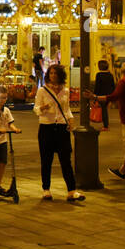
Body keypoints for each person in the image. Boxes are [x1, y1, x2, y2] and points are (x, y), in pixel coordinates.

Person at [34, 63, 84, 202]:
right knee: (46, 160)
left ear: (60, 75)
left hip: (62, 128)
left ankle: (72, 191)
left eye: (56, 73)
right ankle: (46, 189)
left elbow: (66, 109)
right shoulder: (42, 91)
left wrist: (71, 120)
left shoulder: (65, 91)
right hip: (46, 128)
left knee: (66, 160)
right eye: (51, 73)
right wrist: (43, 107)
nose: (53, 76)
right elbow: (36, 109)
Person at [93, 59, 116, 131]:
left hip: (101, 95)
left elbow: (97, 86)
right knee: (104, 109)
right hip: (108, 95)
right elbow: (113, 85)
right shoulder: (110, 75)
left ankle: (106, 125)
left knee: (103, 110)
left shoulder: (99, 75)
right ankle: (106, 123)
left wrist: (94, 95)